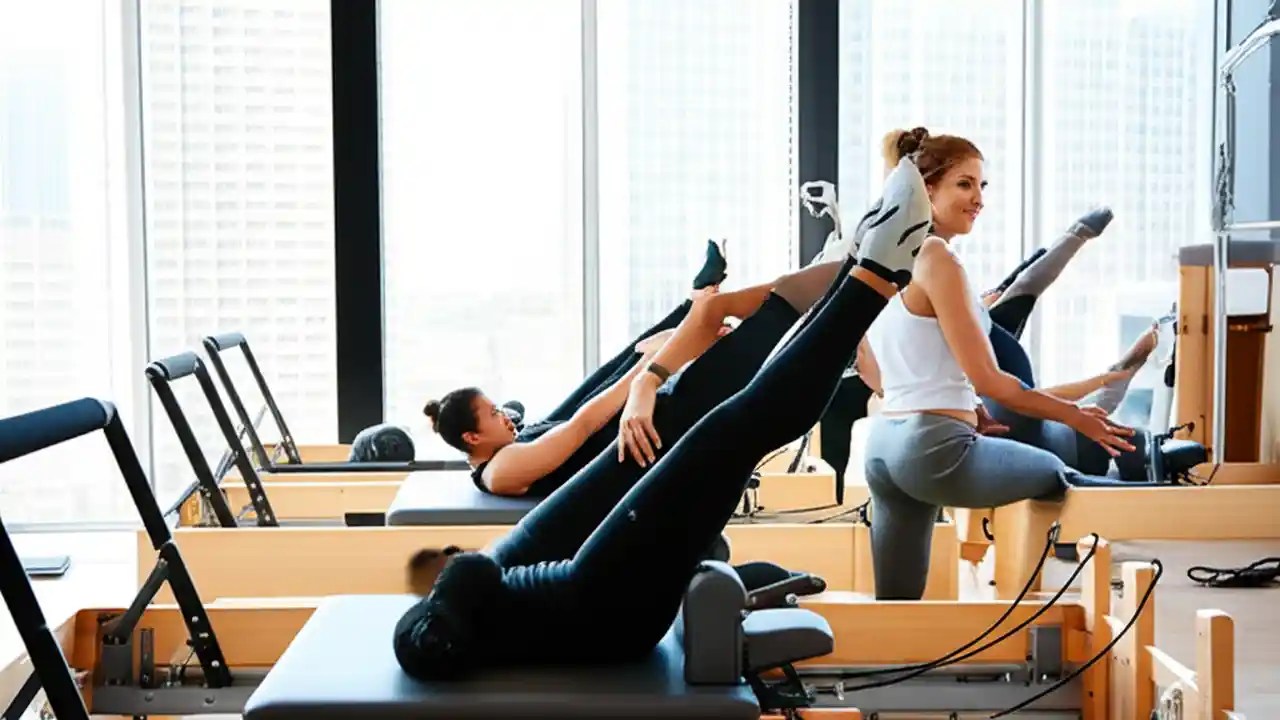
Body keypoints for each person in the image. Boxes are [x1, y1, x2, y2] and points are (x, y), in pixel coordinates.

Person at [392, 155, 952, 680]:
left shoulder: (455, 599)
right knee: (728, 430)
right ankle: (874, 273)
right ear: (470, 437)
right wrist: (458, 579)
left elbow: (473, 576)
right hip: (593, 609)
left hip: (528, 579)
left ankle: (855, 270)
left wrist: (644, 380)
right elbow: (459, 598)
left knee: (701, 406)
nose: (503, 416)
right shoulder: (431, 637)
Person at [859, 127, 1150, 601]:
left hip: (885, 448)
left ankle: (892, 669)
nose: (978, 199)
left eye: (981, 186)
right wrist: (1077, 416)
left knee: (895, 607)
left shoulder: (881, 251)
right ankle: (1183, 507)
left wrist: (965, 410)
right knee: (1060, 474)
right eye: (964, 184)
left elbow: (870, 369)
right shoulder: (937, 258)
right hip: (935, 452)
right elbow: (990, 378)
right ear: (925, 189)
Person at [425, 238, 857, 499]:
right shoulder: (500, 470)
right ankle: (792, 302)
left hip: (614, 435)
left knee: (610, 372)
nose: (505, 415)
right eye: (494, 415)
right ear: (472, 437)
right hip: (631, 443)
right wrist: (647, 368)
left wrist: (642, 363)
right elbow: (582, 428)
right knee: (624, 373)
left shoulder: (504, 452)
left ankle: (697, 302)